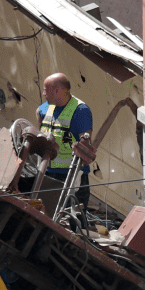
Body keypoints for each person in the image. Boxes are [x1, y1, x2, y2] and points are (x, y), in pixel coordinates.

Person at [36, 72, 95, 212]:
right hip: (48, 173)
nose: (44, 93)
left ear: (57, 90)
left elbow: (86, 147)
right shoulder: (46, 108)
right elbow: (38, 113)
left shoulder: (80, 111)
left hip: (72, 176)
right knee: (46, 214)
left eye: (46, 89)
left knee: (72, 219)